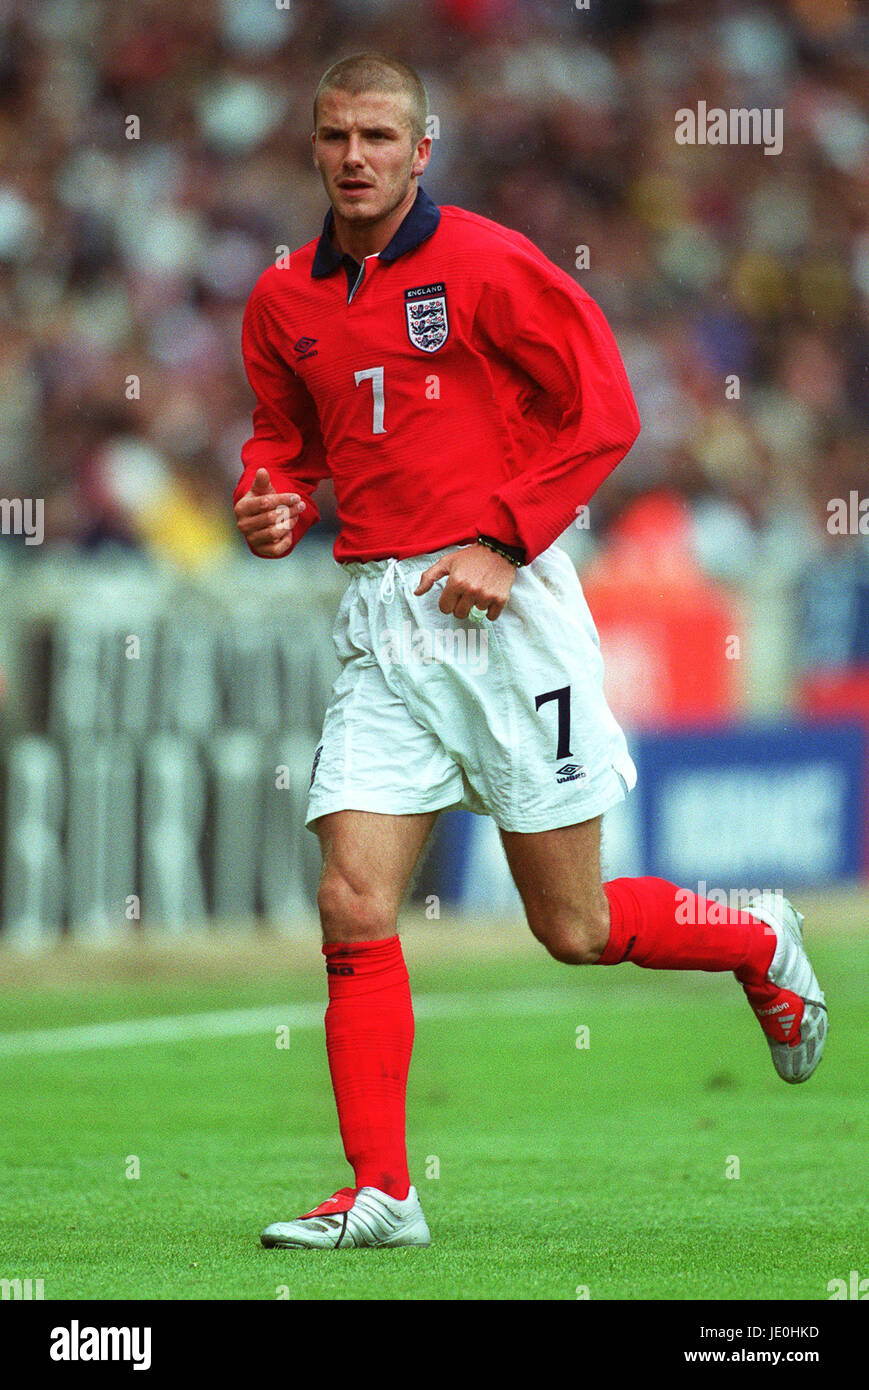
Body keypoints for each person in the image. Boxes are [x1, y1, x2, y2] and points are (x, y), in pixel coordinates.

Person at [233, 53, 827, 1251]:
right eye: (336, 136)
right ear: (311, 146)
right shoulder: (280, 297)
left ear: (423, 147)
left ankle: (755, 934)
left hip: (503, 614)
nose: (356, 156)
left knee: (574, 928)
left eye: (379, 137)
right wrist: (268, 499)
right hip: (382, 622)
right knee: (352, 897)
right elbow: (282, 445)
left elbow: (603, 407)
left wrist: (503, 539)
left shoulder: (489, 264)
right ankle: (383, 1193)